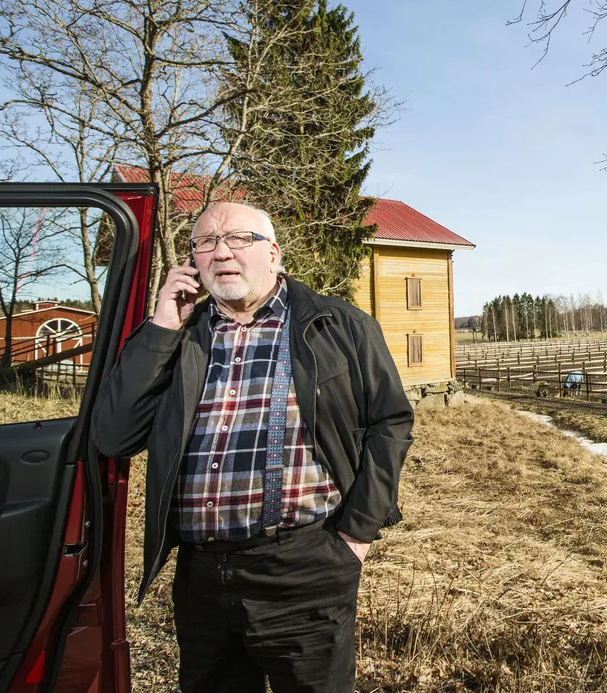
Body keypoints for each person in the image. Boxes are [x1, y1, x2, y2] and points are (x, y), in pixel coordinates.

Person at [94, 202, 414, 693]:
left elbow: (389, 422)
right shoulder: (177, 335)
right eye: (205, 242)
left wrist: (357, 536)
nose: (221, 252)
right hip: (202, 574)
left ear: (274, 253)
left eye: (239, 238)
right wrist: (162, 326)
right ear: (193, 263)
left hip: (304, 567)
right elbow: (114, 434)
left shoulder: (337, 325)